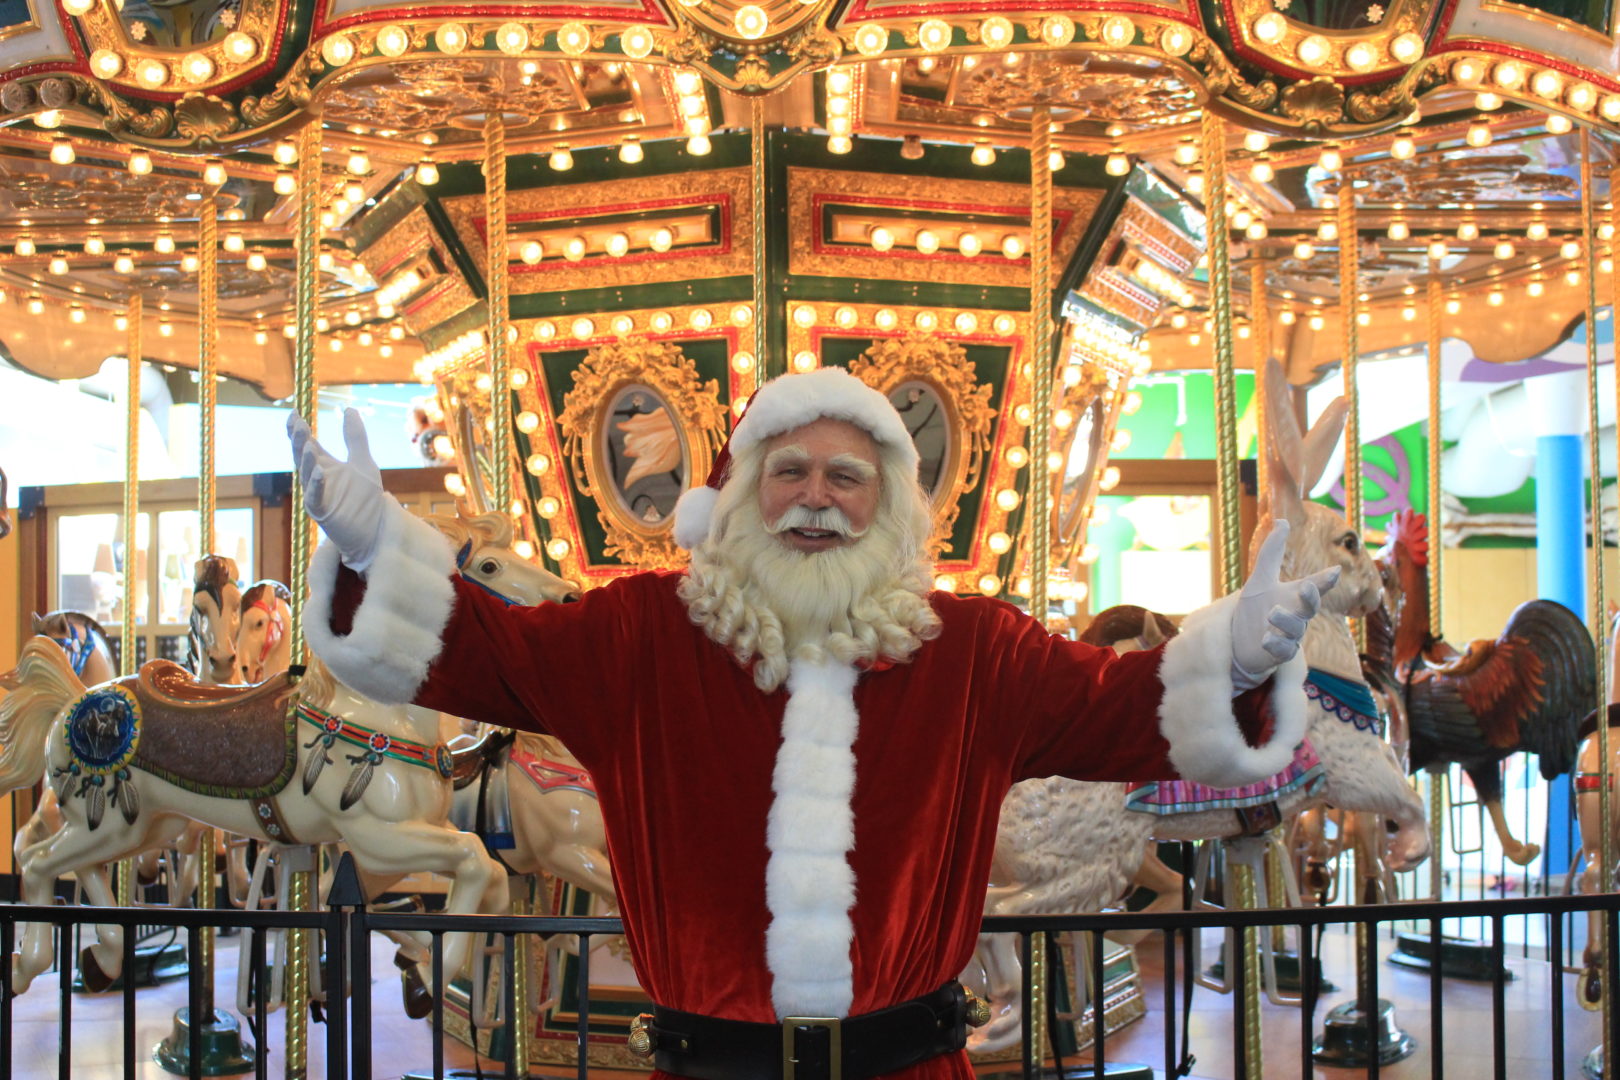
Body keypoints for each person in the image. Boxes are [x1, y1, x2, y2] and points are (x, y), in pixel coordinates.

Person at [288, 367, 1335, 1080]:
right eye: (787, 472)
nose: (816, 500)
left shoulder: (972, 652)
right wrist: (378, 544)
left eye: (847, 477)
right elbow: (485, 651)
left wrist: (1241, 658)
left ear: (889, 505)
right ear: (740, 499)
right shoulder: (640, 640)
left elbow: (1125, 709)